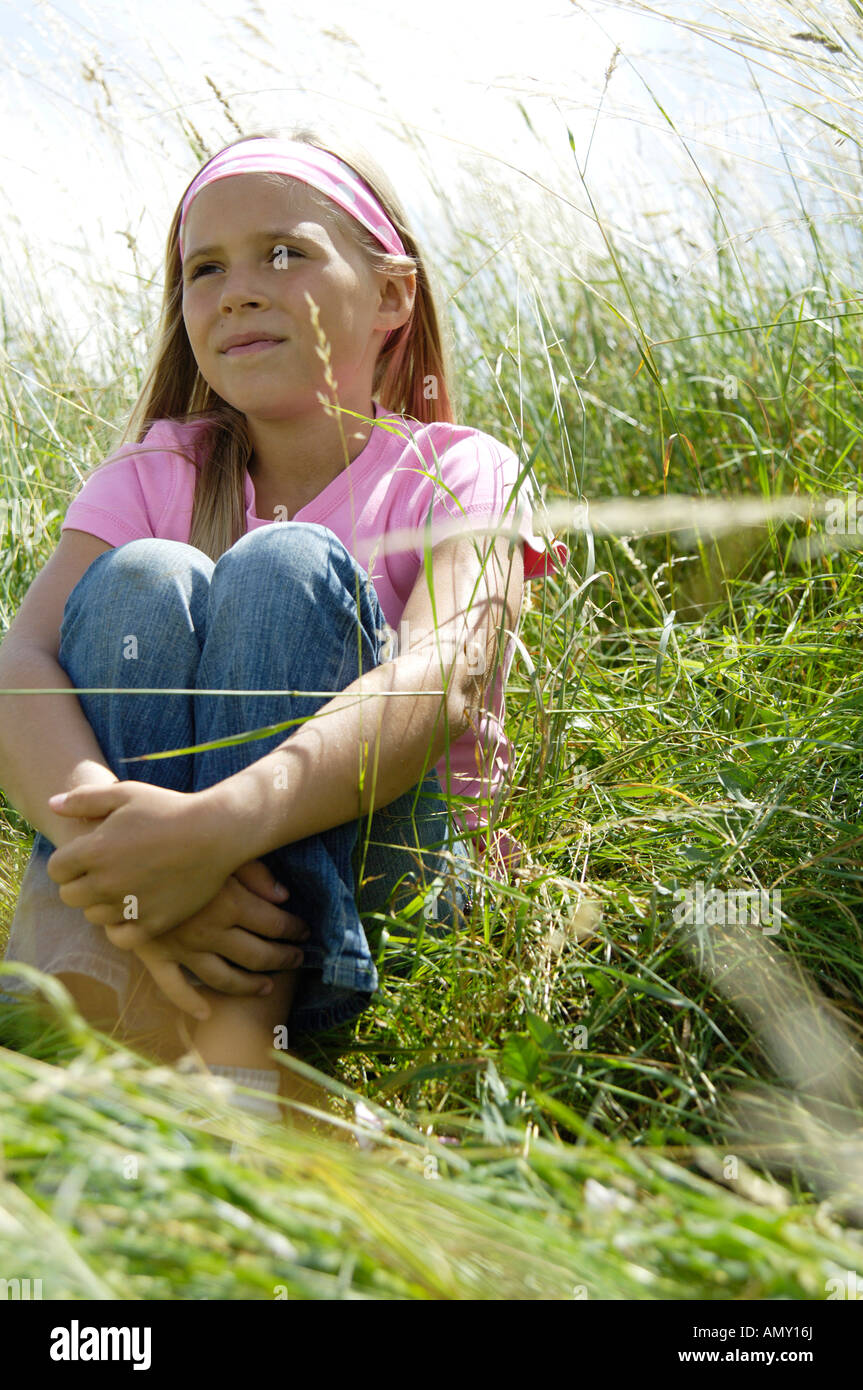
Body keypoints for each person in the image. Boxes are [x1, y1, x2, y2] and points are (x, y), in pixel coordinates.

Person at [0, 130, 567, 1119]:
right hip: (136, 893)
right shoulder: (155, 474)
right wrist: (122, 847)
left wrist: (213, 832)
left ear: (390, 296)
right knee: (143, 578)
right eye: (203, 268)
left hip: (377, 890)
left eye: (284, 251)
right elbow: (19, 663)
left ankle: (245, 1074)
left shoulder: (458, 468)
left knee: (282, 566)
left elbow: (446, 673)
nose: (238, 289)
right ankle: (91, 1017)